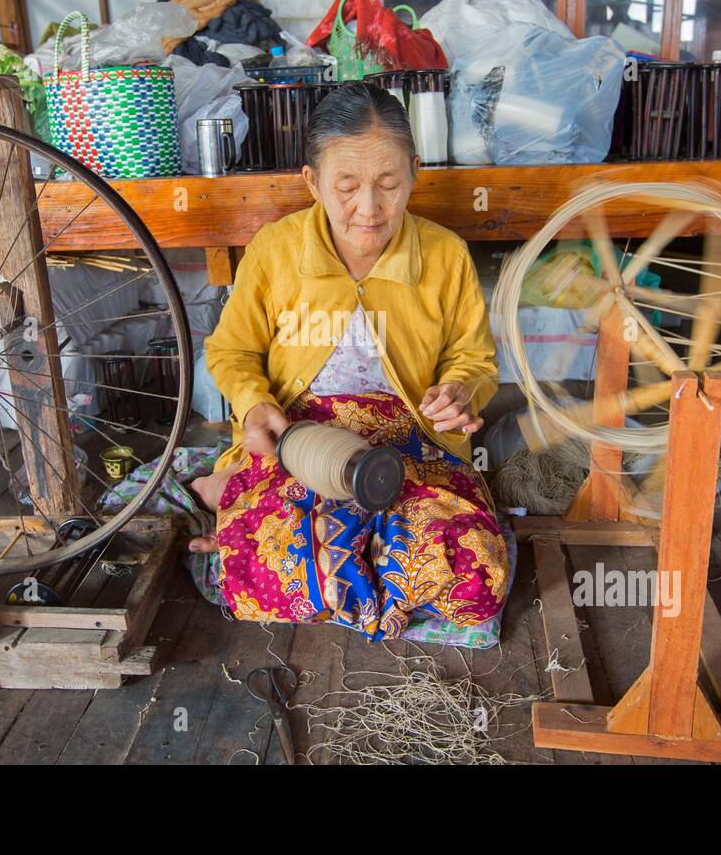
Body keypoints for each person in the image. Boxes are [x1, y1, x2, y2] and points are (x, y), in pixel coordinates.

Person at [189, 81, 508, 641]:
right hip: (301, 441)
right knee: (262, 567)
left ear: (414, 171)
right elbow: (232, 348)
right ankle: (244, 497)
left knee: (472, 575)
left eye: (389, 183)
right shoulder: (277, 250)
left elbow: (474, 359)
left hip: (412, 444)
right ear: (312, 182)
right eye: (347, 186)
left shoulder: (444, 254)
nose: (369, 208)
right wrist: (254, 401)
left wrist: (460, 389)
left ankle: (269, 520)